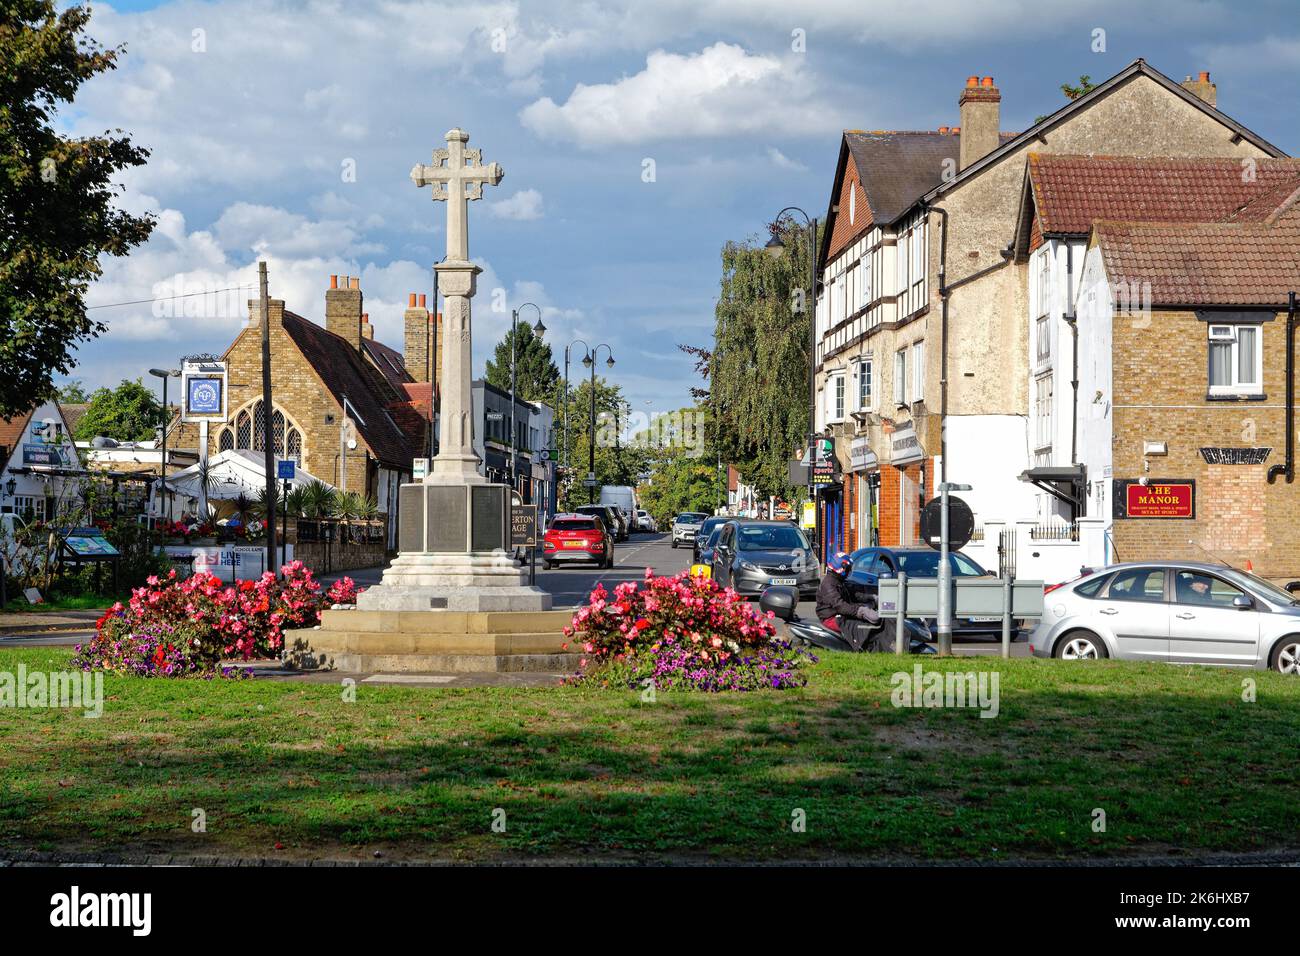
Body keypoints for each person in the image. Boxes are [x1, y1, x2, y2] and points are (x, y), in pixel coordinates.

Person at [816, 552, 881, 650]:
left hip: (840, 613)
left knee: (867, 622)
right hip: (830, 618)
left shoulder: (839, 581)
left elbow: (854, 595)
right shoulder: (828, 584)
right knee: (859, 627)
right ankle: (861, 647)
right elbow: (841, 606)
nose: (849, 570)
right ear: (840, 568)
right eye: (848, 568)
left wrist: (872, 598)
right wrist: (861, 611)